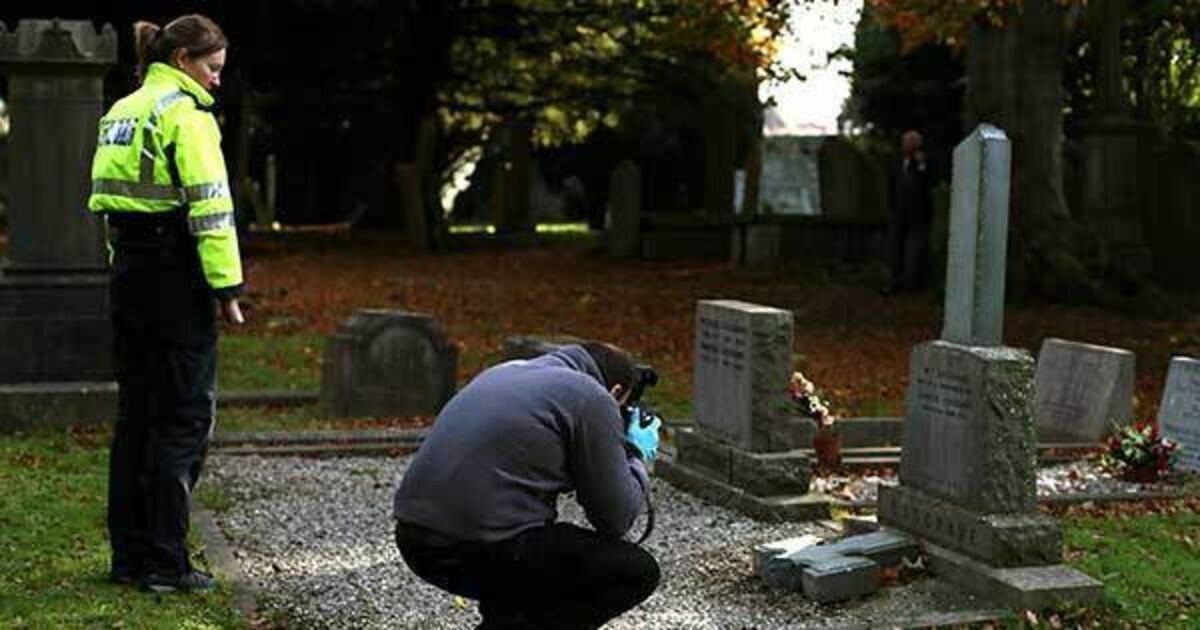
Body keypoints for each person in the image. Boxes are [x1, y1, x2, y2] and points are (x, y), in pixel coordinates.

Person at [88, 14, 244, 593]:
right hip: (177, 276)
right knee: (182, 419)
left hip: (129, 273)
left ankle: (128, 559)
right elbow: (210, 208)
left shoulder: (120, 112)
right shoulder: (186, 114)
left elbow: (109, 203)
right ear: (182, 61)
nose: (217, 81)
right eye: (212, 67)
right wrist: (226, 288)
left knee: (136, 417)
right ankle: (167, 562)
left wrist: (122, 267)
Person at [393, 342, 662, 630]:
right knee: (633, 570)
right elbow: (616, 518)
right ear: (617, 392)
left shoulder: (503, 372)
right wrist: (634, 453)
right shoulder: (592, 396)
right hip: (477, 547)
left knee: (535, 561)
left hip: (414, 537)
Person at [885, 129, 935, 294]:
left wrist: (921, 164)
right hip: (898, 213)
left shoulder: (924, 163)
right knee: (895, 250)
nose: (907, 146)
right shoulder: (896, 161)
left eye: (911, 144)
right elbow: (891, 186)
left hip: (918, 215)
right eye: (906, 143)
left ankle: (912, 286)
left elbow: (928, 184)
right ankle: (894, 283)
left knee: (914, 252)